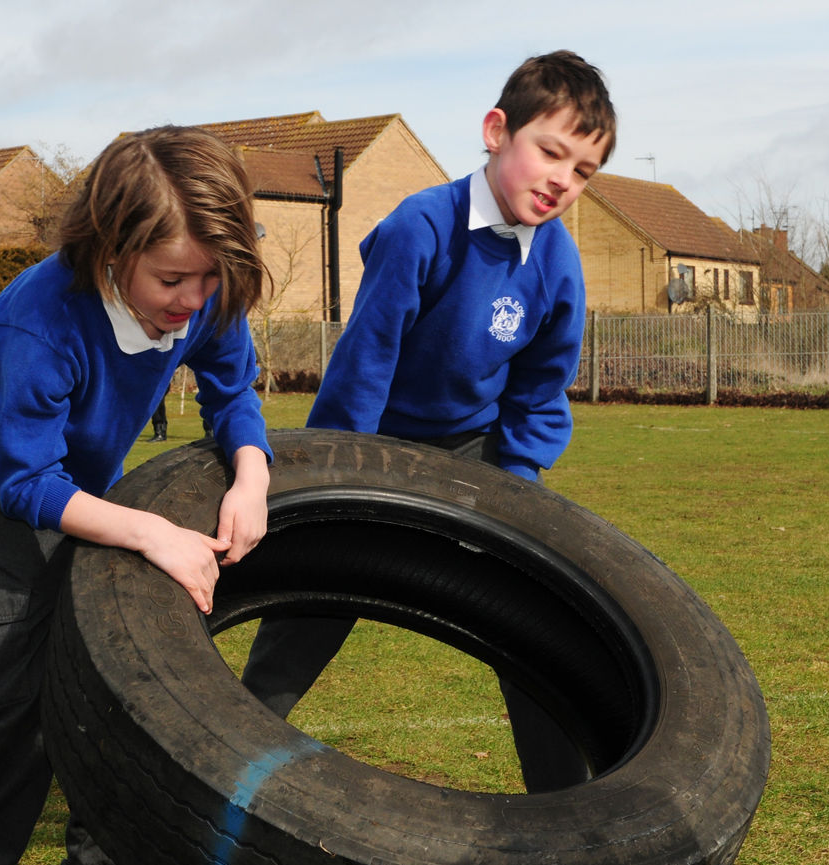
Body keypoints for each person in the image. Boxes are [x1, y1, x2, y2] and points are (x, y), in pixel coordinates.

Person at [0, 126, 273, 865]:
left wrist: (251, 475)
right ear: (110, 250)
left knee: (108, 672)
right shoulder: (39, 323)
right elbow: (25, 483)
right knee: (7, 703)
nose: (193, 296)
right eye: (173, 278)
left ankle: (100, 863)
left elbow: (232, 390)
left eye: (211, 276)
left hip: (88, 486)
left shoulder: (205, 293)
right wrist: (153, 533)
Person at [239, 51, 614, 793]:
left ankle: (568, 810)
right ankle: (216, 759)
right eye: (550, 152)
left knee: (530, 620)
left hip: (475, 453)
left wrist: (516, 488)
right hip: (373, 441)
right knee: (310, 608)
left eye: (582, 172)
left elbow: (540, 388)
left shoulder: (557, 263)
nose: (561, 181)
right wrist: (340, 469)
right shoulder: (422, 226)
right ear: (497, 131)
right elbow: (366, 359)